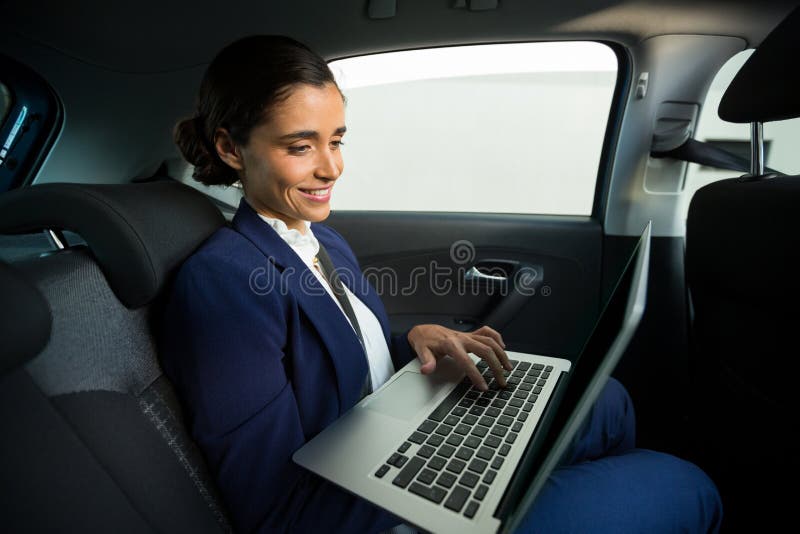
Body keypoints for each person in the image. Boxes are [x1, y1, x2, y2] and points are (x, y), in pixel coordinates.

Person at [160, 35, 722, 533]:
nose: (331, 168)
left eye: (337, 140)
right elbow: (277, 512)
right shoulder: (222, 282)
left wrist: (413, 340)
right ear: (231, 148)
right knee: (686, 486)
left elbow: (339, 351)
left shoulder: (321, 240)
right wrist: (438, 478)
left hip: (402, 438)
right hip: (372, 505)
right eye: (301, 146)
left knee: (612, 403)